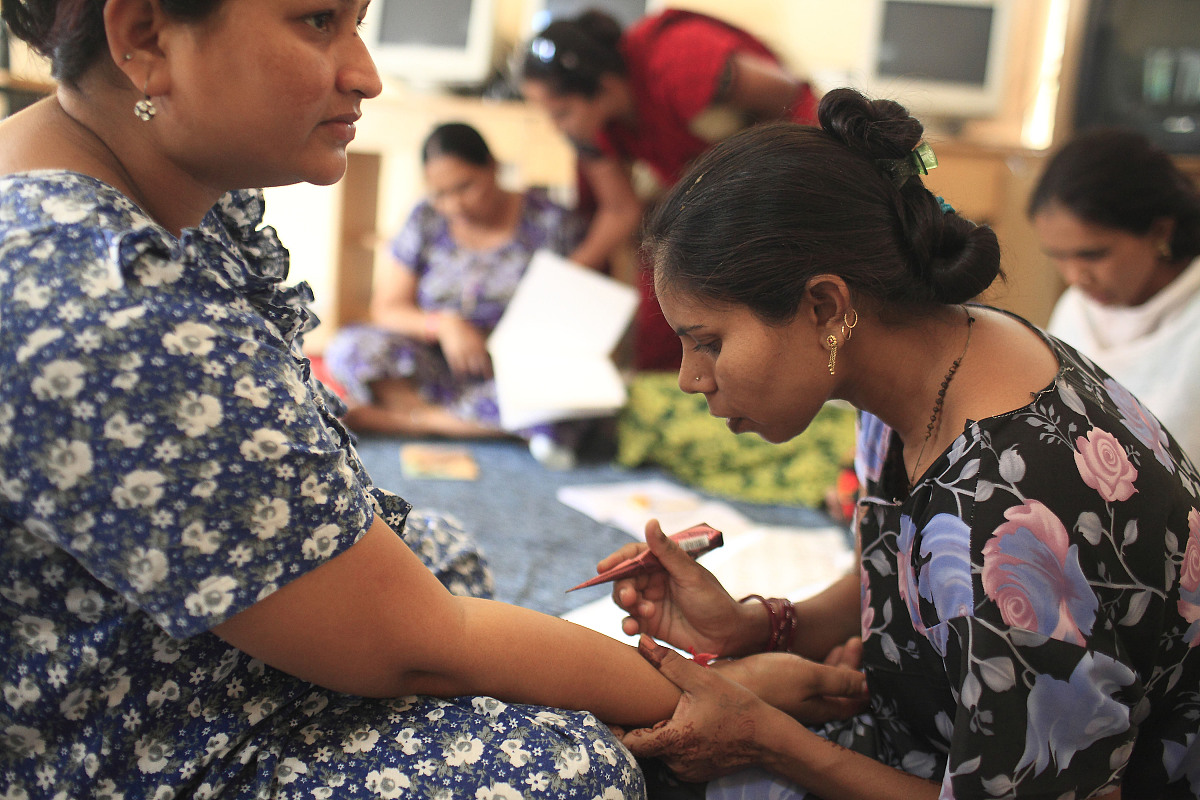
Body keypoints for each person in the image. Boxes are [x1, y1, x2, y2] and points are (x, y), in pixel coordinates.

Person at [0, 1, 872, 796]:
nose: (367, 72)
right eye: (317, 22)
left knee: (442, 551)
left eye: (357, 22)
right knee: (572, 768)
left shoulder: (154, 203)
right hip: (148, 737)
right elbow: (417, 642)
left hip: (230, 635)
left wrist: (747, 640)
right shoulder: (107, 302)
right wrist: (719, 696)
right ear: (144, 37)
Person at [595, 89, 1200, 798]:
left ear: (825, 306)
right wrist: (752, 627)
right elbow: (907, 575)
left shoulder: (1021, 508)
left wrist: (770, 738)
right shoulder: (933, 353)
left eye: (708, 342)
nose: (690, 378)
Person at [518, 8, 819, 370]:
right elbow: (619, 210)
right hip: (708, 199)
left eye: (562, 112)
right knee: (661, 303)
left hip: (781, 175)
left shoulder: (679, 60)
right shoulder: (593, 127)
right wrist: (557, 280)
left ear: (606, 87)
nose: (557, 127)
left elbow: (794, 99)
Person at [322, 121, 586, 466]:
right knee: (349, 347)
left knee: (576, 399)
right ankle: (462, 422)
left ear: (492, 167)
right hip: (434, 362)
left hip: (513, 369)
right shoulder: (426, 219)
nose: (454, 205)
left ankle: (410, 420)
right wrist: (444, 325)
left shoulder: (549, 221)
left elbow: (574, 311)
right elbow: (388, 308)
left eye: (465, 187)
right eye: (440, 193)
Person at [1028, 126, 1200, 467]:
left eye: (1092, 255)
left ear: (1159, 231)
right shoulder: (1075, 309)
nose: (1075, 276)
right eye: (1059, 256)